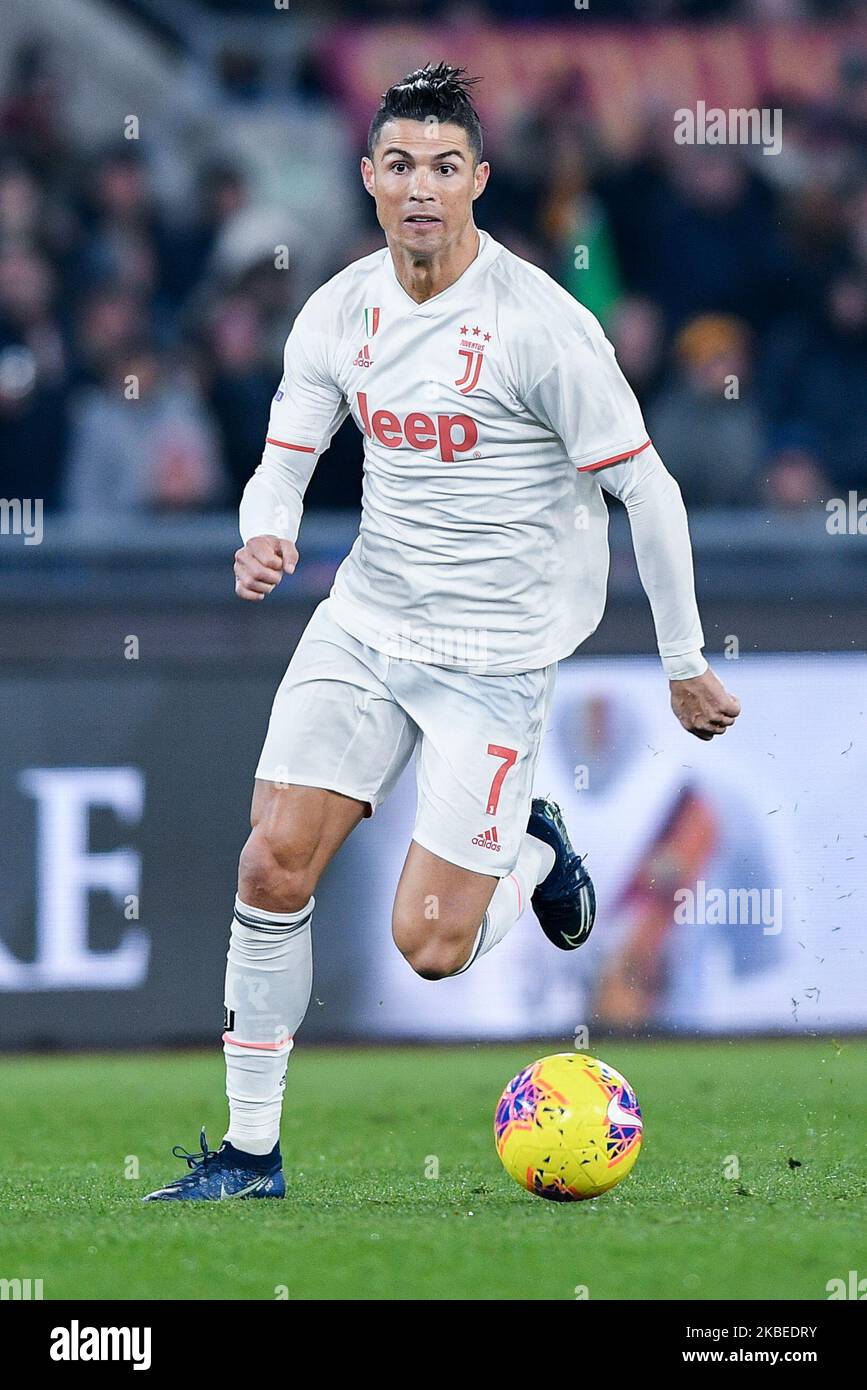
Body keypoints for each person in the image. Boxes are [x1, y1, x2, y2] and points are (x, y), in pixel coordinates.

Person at [145, 64, 740, 1203]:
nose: (422, 188)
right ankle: (251, 1155)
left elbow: (650, 493)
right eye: (402, 165)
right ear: (370, 177)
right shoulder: (339, 309)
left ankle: (531, 849)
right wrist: (263, 533)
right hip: (366, 622)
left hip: (496, 661)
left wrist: (682, 663)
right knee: (271, 863)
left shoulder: (541, 328)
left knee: (428, 945)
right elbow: (283, 461)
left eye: (445, 167)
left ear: (478, 179)